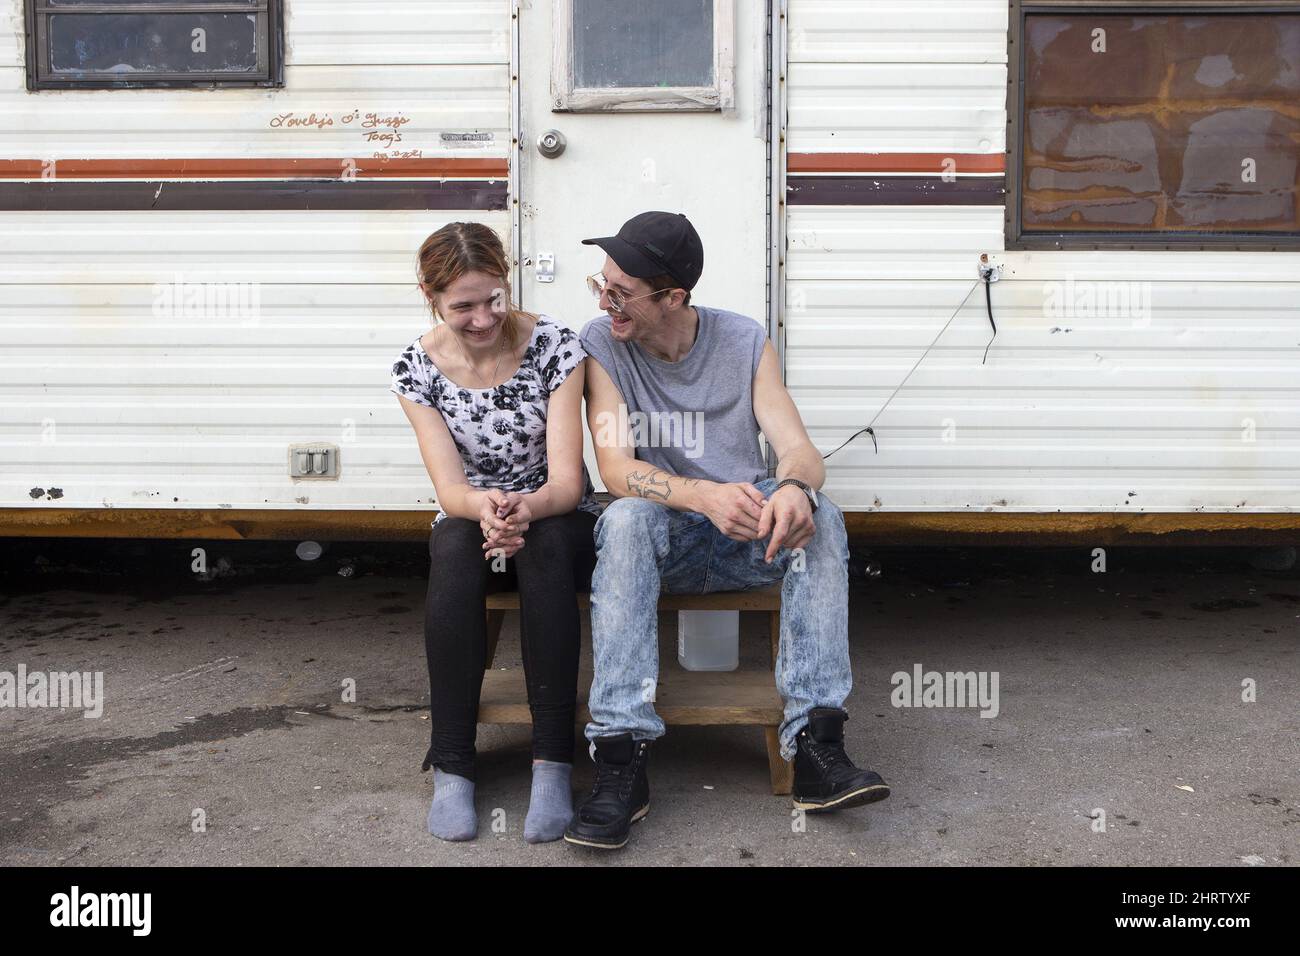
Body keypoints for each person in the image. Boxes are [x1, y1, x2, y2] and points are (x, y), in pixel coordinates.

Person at [564, 211, 889, 850]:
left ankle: (818, 750)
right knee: (625, 519)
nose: (606, 303)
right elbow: (615, 467)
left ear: (674, 297)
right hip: (666, 537)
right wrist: (701, 495)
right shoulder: (601, 343)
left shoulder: (743, 340)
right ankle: (621, 759)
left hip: (748, 531)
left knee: (821, 516)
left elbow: (801, 451)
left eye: (621, 292)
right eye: (600, 285)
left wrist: (793, 488)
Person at [390, 221, 601, 843]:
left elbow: (568, 481)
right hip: (471, 515)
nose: (483, 319)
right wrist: (485, 509)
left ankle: (552, 761)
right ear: (431, 296)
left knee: (545, 548)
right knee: (452, 547)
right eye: (463, 306)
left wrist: (524, 510)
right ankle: (453, 765)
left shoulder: (555, 347)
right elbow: (449, 489)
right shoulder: (415, 368)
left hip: (554, 513)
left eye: (493, 299)